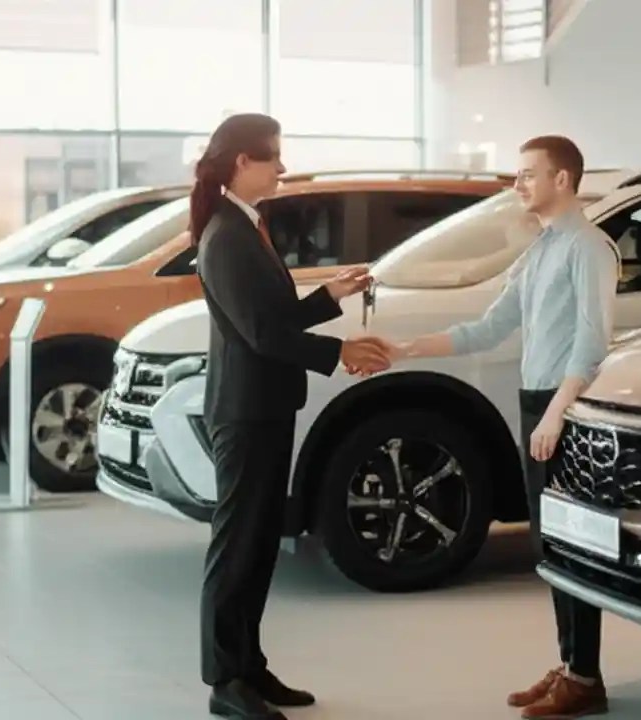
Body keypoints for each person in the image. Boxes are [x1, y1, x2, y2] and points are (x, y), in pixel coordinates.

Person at [362, 135, 619, 719]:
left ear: (563, 180)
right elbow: (488, 327)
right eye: (517, 174)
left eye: (529, 174)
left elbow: (592, 343)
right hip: (538, 401)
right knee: (550, 544)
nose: (517, 184)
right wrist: (406, 349)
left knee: (571, 545)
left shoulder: (589, 248)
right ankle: (572, 665)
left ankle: (585, 678)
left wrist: (556, 413)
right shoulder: (540, 250)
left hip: (565, 407)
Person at [192, 113, 391, 720]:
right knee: (237, 548)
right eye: (272, 157)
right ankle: (226, 681)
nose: (282, 167)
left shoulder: (247, 226)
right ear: (239, 164)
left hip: (266, 408)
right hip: (245, 414)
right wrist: (340, 352)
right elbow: (260, 334)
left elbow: (275, 320)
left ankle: (250, 668)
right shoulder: (225, 235)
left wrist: (330, 297)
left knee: (257, 546)